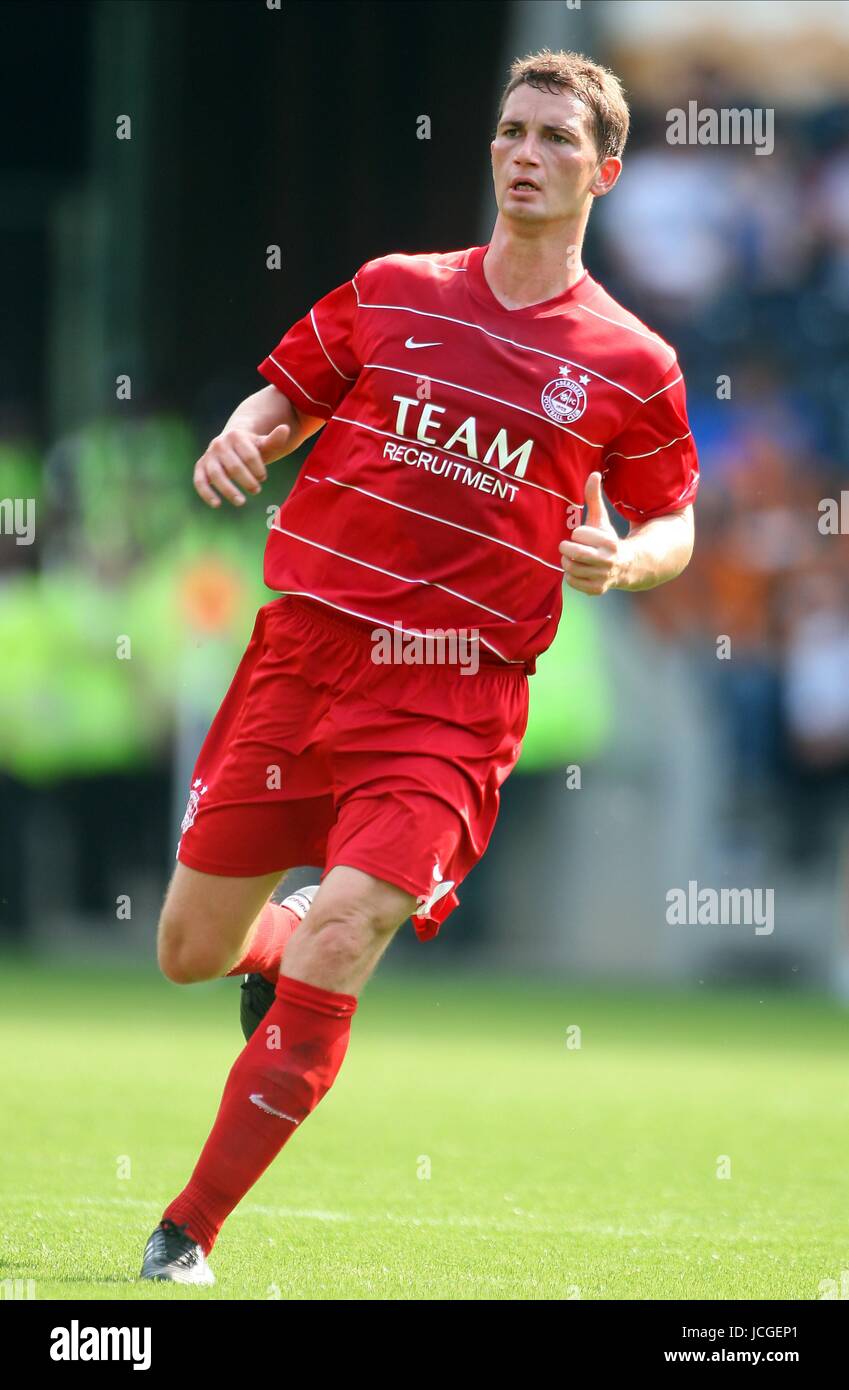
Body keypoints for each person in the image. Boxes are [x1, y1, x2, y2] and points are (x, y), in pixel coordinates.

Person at [141, 47, 698, 1284]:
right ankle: (270, 943)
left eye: (556, 139)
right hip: (304, 654)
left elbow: (674, 520)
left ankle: (184, 1234)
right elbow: (283, 398)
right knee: (188, 949)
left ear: (603, 173)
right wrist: (243, 437)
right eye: (511, 130)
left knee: (353, 931)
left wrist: (628, 559)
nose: (525, 154)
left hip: (452, 694)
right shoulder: (394, 289)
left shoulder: (630, 362)